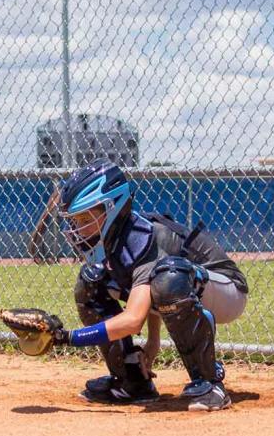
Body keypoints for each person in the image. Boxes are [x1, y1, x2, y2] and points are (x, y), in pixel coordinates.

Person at [57, 160, 249, 410]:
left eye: (84, 218)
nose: (78, 228)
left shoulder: (141, 237)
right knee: (90, 282)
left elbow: (134, 318)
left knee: (169, 277)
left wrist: (66, 338)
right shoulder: (117, 240)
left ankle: (209, 382)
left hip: (227, 290)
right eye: (75, 220)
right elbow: (146, 289)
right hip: (179, 284)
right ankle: (132, 381)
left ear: (111, 208)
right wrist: (153, 342)